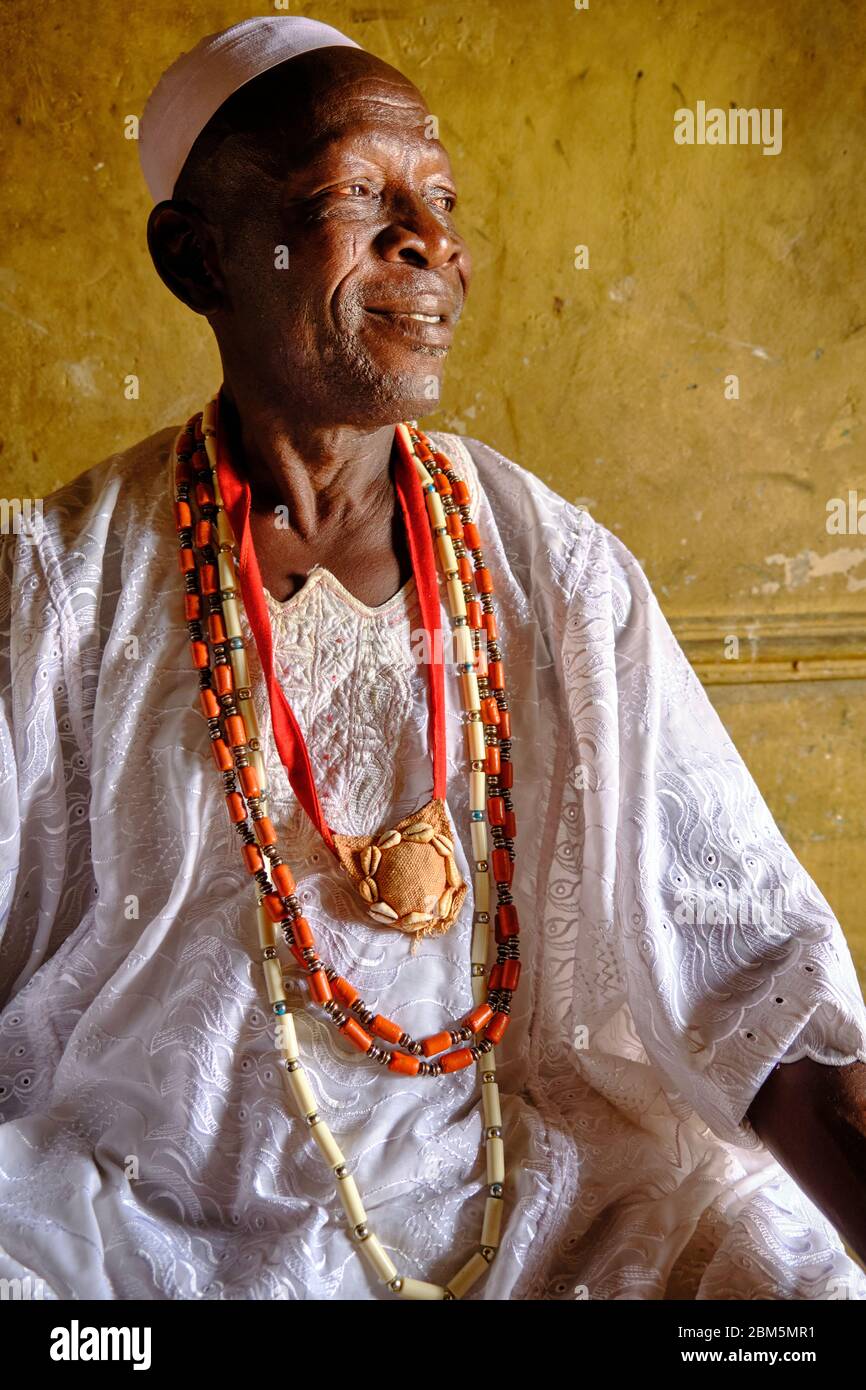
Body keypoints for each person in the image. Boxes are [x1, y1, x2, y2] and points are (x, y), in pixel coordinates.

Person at [0, 14, 864, 1302]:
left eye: (442, 199)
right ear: (197, 258)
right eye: (359, 193)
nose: (434, 244)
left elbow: (752, 976)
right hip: (152, 1242)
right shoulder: (64, 590)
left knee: (783, 1307)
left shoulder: (554, 570)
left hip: (549, 1215)